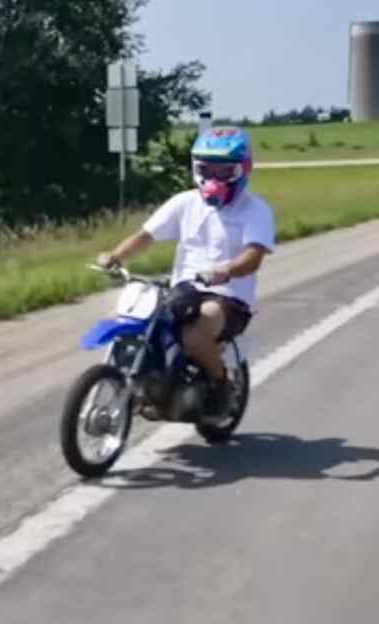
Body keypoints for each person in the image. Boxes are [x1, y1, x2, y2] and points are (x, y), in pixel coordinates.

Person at [96, 126, 276, 418]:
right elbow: (146, 236)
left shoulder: (255, 210)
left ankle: (221, 386)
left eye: (224, 171)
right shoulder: (184, 202)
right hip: (182, 289)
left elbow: (253, 257)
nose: (213, 178)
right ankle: (143, 382)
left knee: (193, 336)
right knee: (124, 319)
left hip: (228, 296)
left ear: (243, 169)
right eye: (206, 169)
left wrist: (226, 270)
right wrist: (115, 256)